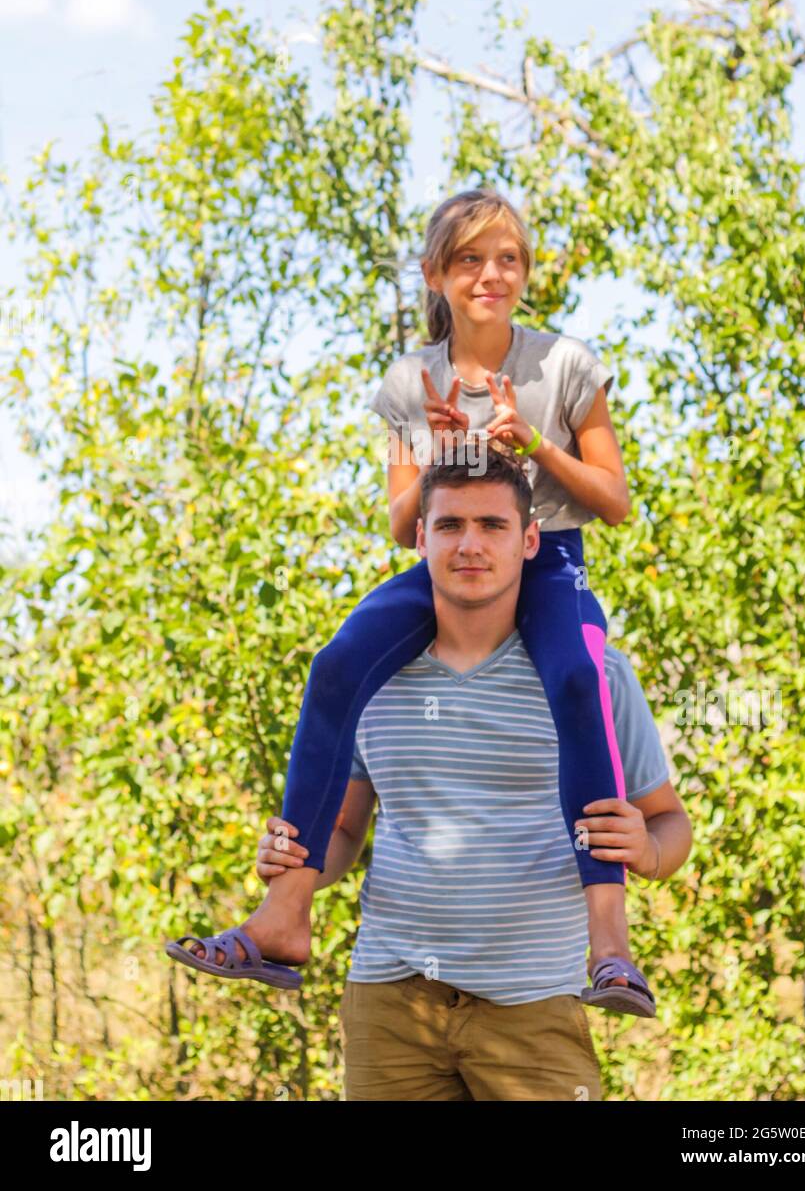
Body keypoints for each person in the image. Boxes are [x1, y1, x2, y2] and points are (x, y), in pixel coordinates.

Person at [166, 187, 654, 1012]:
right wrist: (444, 454)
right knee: (339, 661)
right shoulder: (409, 380)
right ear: (436, 274)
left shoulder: (565, 364)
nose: (491, 274)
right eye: (469, 259)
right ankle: (286, 914)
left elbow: (614, 499)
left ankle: (610, 943)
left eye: (508, 258)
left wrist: (529, 441)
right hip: (448, 554)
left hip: (546, 557)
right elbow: (404, 525)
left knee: (578, 676)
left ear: (526, 271)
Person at [254, 453, 692, 1100]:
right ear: (420, 536)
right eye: (451, 524)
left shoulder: (594, 675)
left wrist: (650, 850)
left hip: (534, 1010)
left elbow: (669, 820)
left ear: (530, 540)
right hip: (390, 1001)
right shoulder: (368, 675)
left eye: (492, 524)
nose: (471, 544)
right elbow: (345, 829)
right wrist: (299, 859)